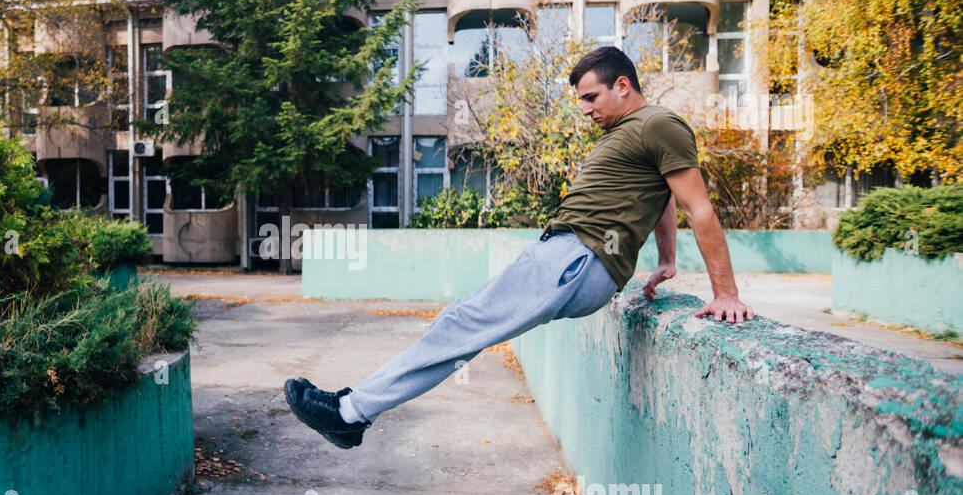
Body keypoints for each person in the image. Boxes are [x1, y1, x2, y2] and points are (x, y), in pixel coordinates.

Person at [284, 45, 755, 448]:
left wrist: (726, 293)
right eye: (581, 100)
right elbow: (665, 197)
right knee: (460, 324)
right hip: (573, 258)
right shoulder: (628, 134)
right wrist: (667, 260)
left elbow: (699, 207)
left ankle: (349, 414)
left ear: (624, 85)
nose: (586, 108)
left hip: (577, 258)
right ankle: (353, 408)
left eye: (592, 97)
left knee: (461, 326)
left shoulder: (659, 123)